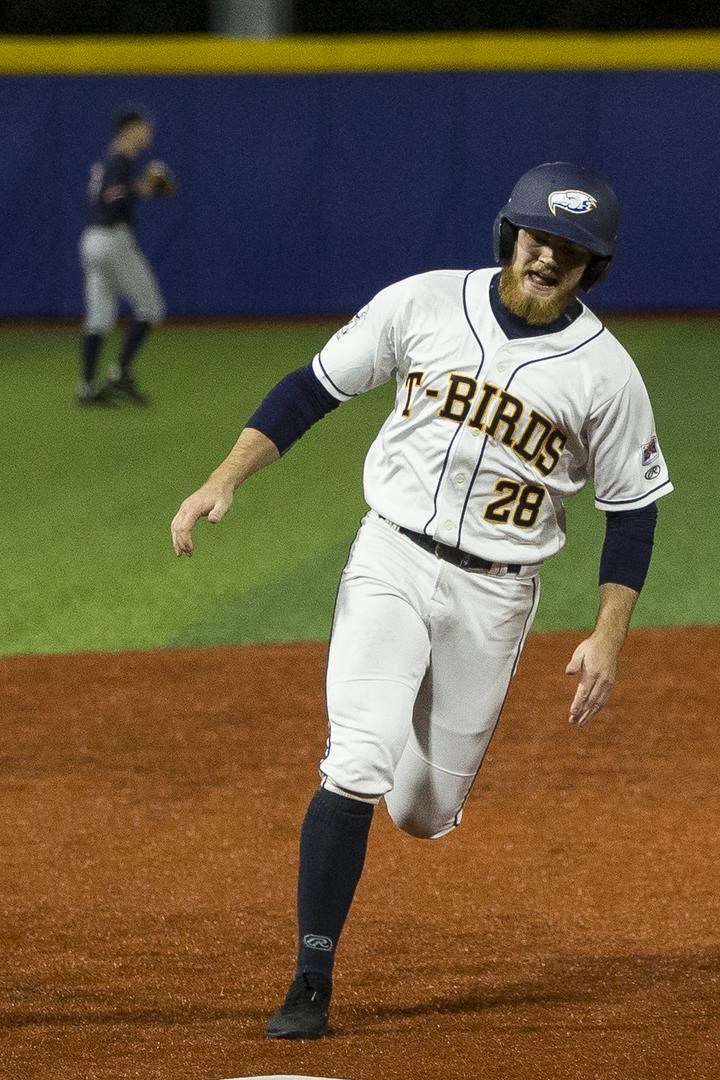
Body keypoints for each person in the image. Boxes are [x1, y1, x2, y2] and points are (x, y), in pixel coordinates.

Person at [169, 162, 671, 1040]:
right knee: (356, 761)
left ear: (595, 268)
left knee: (424, 812)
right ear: (511, 235)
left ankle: (391, 746)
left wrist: (607, 634)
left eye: (571, 251)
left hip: (497, 593)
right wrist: (224, 478)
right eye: (537, 237)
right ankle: (310, 981)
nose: (547, 258)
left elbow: (632, 510)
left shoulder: (608, 375)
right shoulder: (425, 303)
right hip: (392, 559)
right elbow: (313, 388)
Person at [78, 106, 175, 406]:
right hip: (112, 238)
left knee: (98, 317)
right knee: (151, 307)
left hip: (91, 239)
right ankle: (119, 373)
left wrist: (140, 189)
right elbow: (116, 199)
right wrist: (143, 189)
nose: (148, 133)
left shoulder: (107, 161)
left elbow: (112, 194)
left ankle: (88, 387)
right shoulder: (121, 160)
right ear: (129, 129)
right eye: (144, 127)